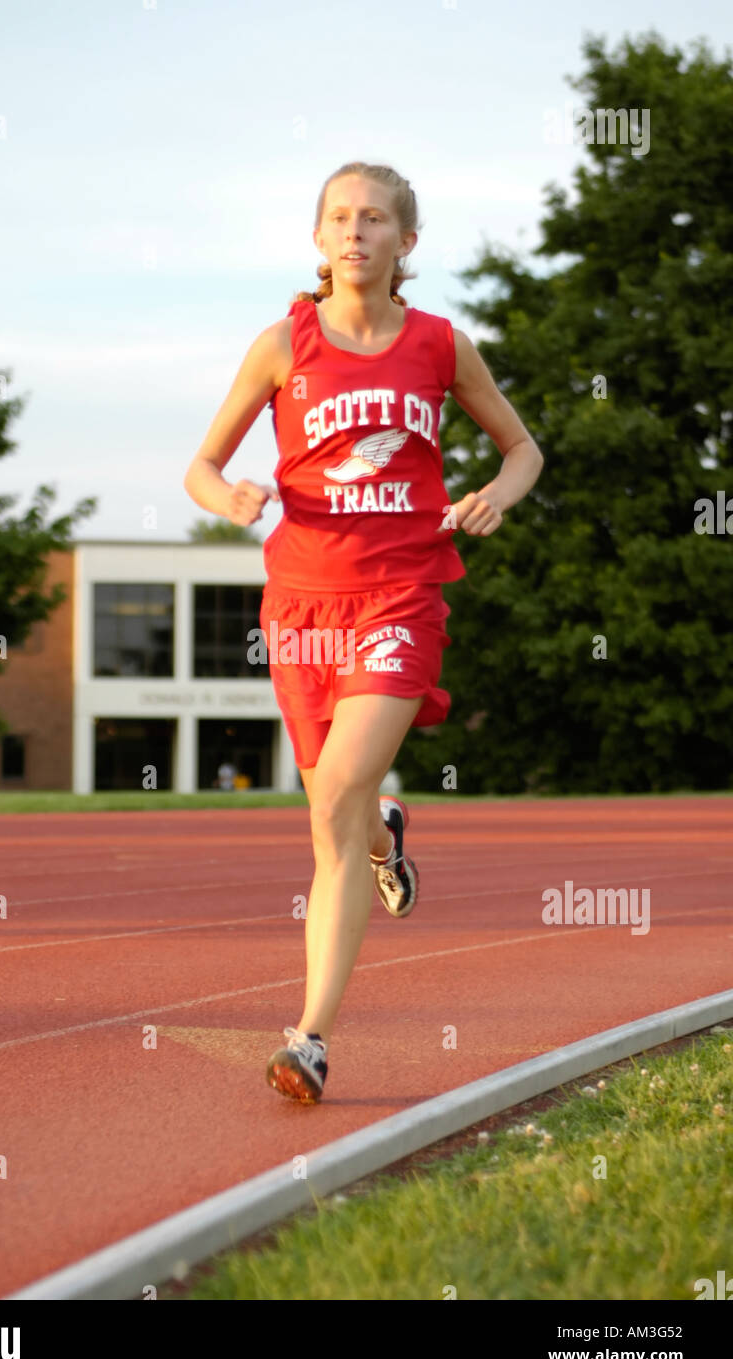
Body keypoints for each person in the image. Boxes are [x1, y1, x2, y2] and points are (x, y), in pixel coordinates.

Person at [183, 161, 543, 1103]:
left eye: (375, 219)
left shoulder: (439, 345)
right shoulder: (281, 346)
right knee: (337, 819)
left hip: (401, 597)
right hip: (302, 608)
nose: (355, 231)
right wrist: (231, 498)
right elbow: (201, 466)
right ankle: (385, 835)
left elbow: (523, 447)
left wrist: (496, 496)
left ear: (405, 242)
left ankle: (308, 1039)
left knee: (338, 792)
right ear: (318, 238)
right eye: (339, 217)